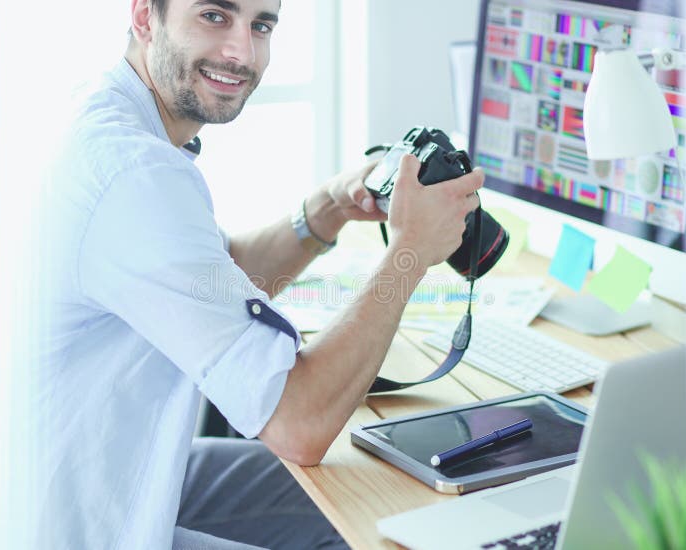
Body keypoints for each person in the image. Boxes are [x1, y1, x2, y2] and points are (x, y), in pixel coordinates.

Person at [35, 0, 483, 548]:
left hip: (93, 466)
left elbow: (216, 283)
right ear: (146, 16)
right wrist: (410, 252)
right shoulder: (134, 174)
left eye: (261, 25)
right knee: (378, 522)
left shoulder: (105, 114)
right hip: (70, 523)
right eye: (215, 16)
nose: (242, 52)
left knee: (387, 498)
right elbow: (300, 426)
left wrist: (323, 212)